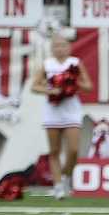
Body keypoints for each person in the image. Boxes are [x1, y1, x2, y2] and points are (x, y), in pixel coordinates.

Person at [30, 33, 90, 198]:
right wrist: (52, 90)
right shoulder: (47, 64)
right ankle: (57, 186)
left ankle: (65, 176)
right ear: (51, 48)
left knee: (73, 150)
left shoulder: (75, 63)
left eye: (63, 45)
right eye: (56, 46)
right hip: (53, 110)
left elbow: (88, 86)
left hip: (71, 110)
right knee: (54, 150)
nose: (60, 49)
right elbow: (34, 86)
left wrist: (72, 83)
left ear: (69, 47)